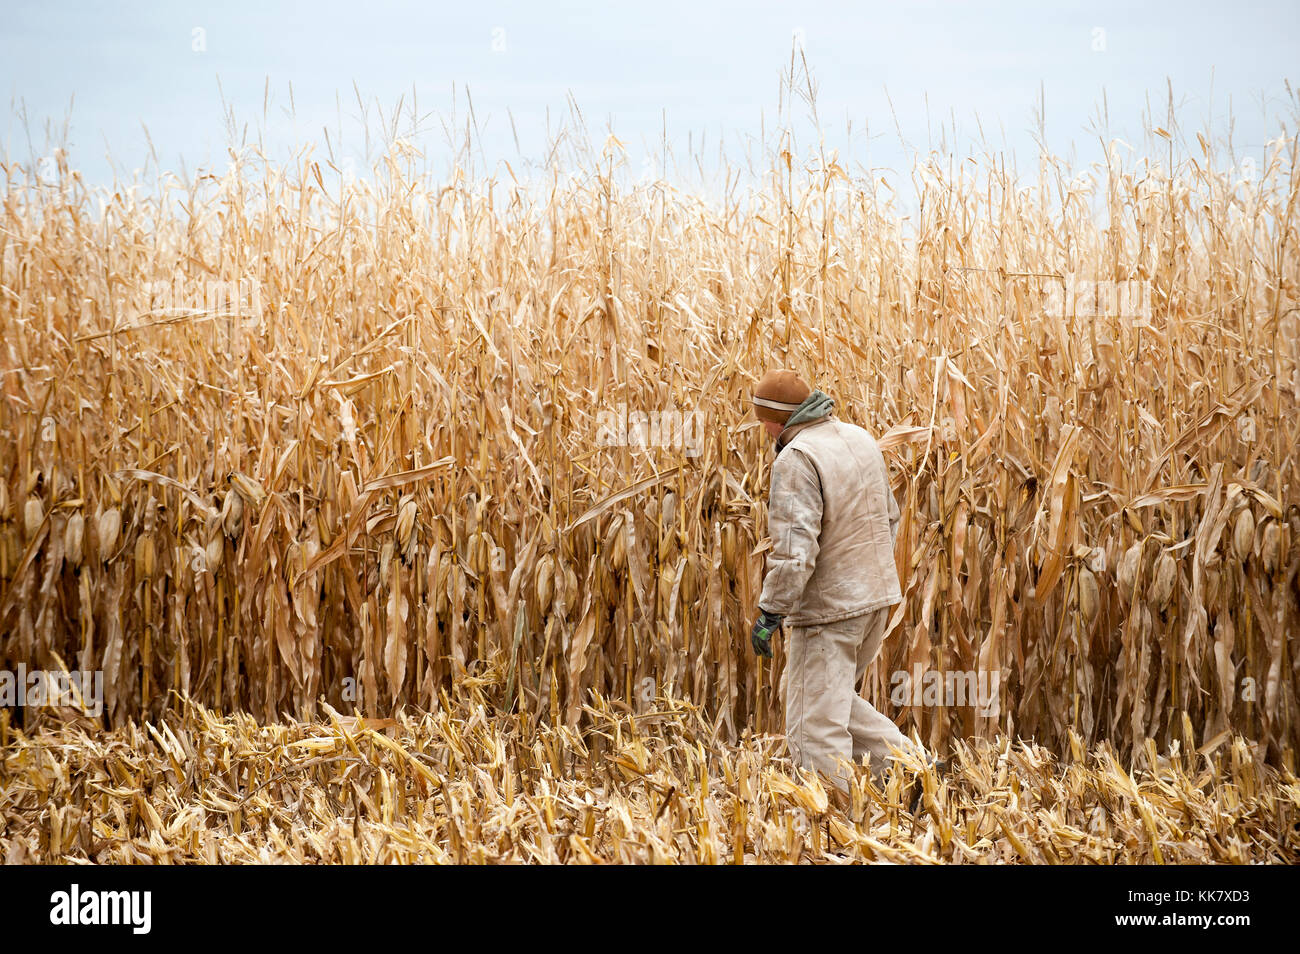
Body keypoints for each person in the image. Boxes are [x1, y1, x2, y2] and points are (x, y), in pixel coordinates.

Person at [749, 368, 941, 802]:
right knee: (828, 698)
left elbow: (795, 551)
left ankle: (828, 820)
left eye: (762, 421)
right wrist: (868, 577)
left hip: (830, 610)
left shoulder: (796, 459)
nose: (762, 430)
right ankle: (913, 767)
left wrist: (772, 611)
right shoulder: (859, 439)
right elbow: (891, 519)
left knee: (814, 722)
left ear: (774, 421)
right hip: (876, 600)